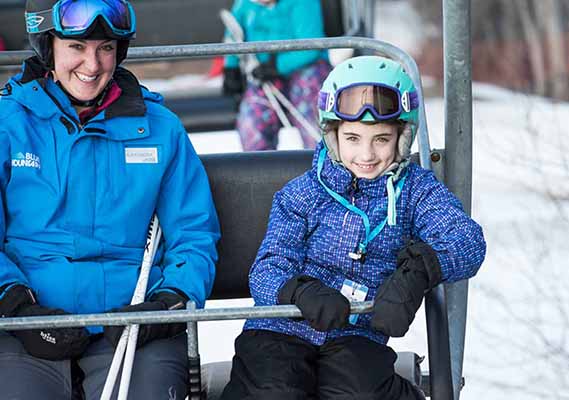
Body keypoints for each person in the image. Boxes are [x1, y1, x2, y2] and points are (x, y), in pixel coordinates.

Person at [220, 55, 487, 399]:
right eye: (353, 138)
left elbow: (466, 241)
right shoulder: (303, 193)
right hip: (281, 329)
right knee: (274, 392)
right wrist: (299, 291)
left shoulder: (416, 192)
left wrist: (419, 270)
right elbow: (266, 269)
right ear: (332, 136)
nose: (367, 154)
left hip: (358, 334)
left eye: (381, 139)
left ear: (403, 138)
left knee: (358, 394)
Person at [0, 1, 220, 399]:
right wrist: (15, 306)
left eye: (105, 47)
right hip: (25, 321)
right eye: (77, 47)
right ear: (48, 46)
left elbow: (194, 232)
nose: (93, 63)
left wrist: (168, 304)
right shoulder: (9, 123)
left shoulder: (158, 129)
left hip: (130, 321)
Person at [222, 0, 333, 151]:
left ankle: (320, 156)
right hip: (264, 75)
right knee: (252, 118)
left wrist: (277, 66)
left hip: (304, 68)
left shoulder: (304, 3)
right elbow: (234, 34)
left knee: (312, 110)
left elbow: (312, 46)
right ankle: (260, 166)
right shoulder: (245, 5)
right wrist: (231, 67)